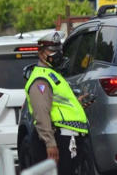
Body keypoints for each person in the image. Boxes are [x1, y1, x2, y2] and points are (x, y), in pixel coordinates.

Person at [24, 32, 93, 174]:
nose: (57, 54)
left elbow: (59, 104)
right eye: (52, 51)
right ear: (41, 53)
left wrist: (78, 103)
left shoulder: (53, 75)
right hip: (59, 138)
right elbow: (41, 112)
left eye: (59, 51)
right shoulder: (41, 79)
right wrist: (50, 143)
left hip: (69, 138)